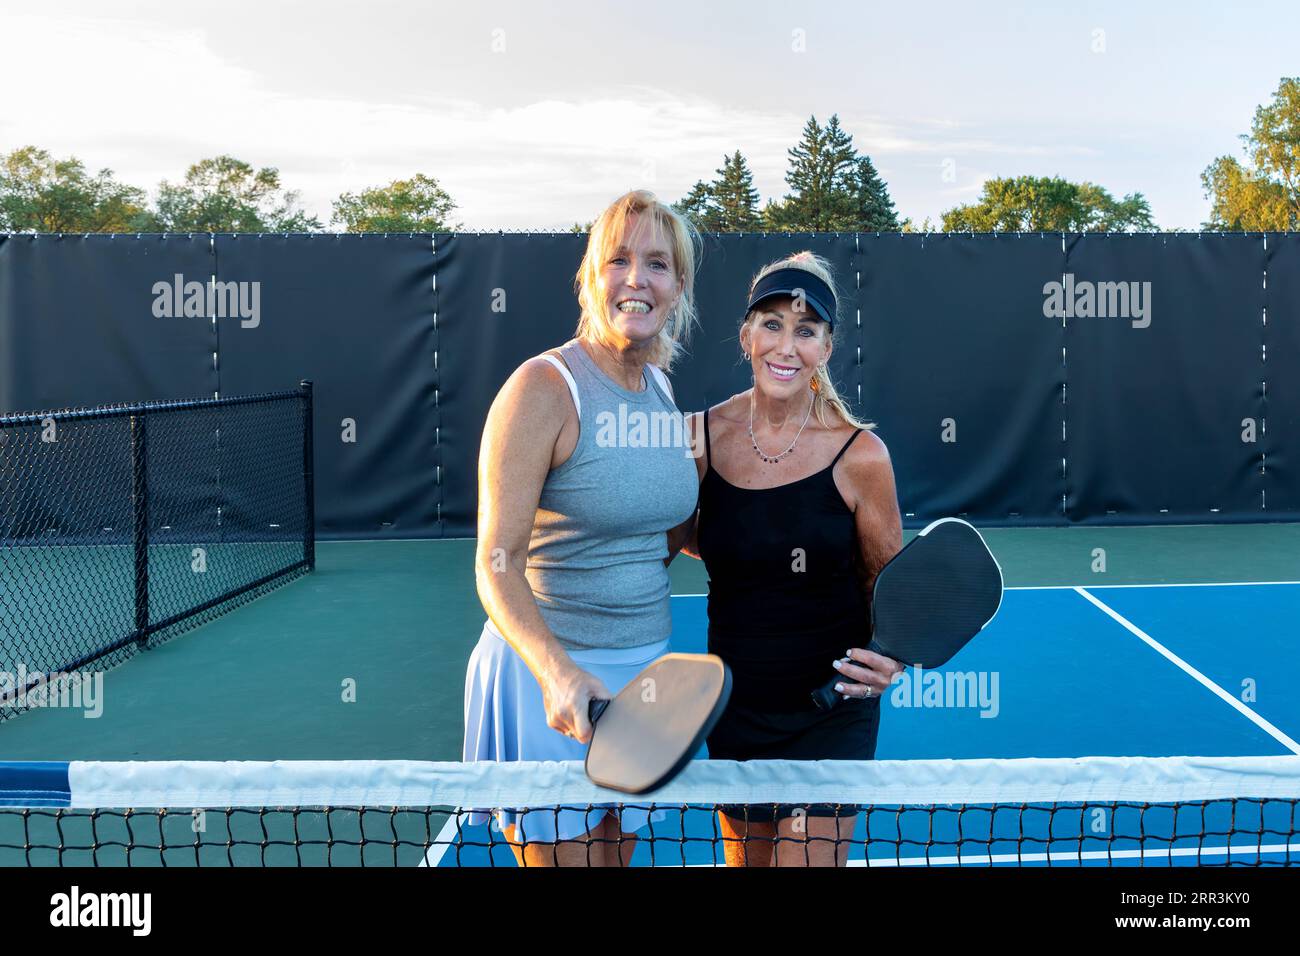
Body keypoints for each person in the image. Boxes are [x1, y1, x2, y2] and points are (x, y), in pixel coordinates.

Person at [464, 190, 700, 867]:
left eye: (657, 264)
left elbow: (666, 532)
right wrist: (556, 671)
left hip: (642, 675)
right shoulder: (544, 386)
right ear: (592, 278)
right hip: (554, 677)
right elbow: (496, 561)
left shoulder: (660, 389)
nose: (637, 279)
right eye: (619, 260)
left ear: (676, 285)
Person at [677, 251, 904, 867]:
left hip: (831, 710)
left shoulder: (862, 456)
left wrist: (892, 657)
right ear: (747, 334)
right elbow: (667, 546)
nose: (786, 344)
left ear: (826, 348)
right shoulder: (697, 437)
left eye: (806, 330)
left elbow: (889, 583)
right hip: (736, 705)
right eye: (772, 324)